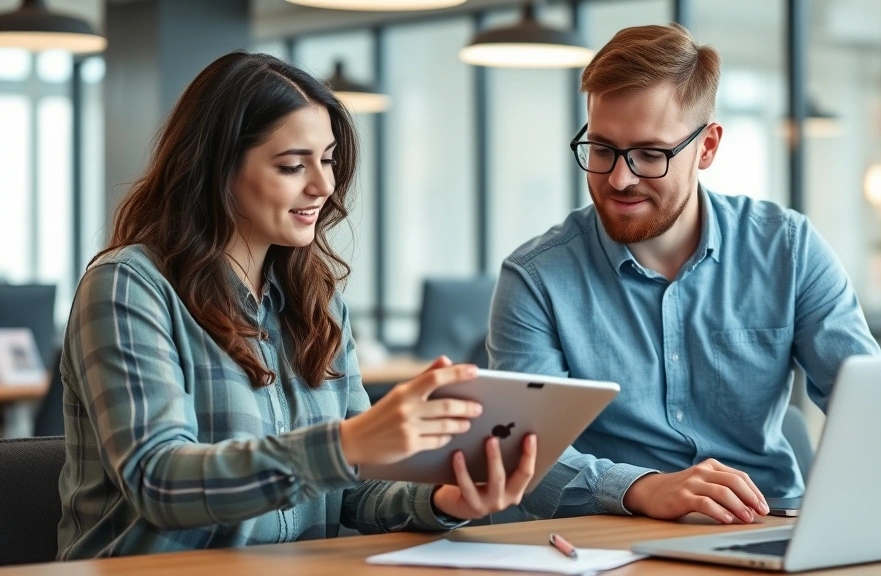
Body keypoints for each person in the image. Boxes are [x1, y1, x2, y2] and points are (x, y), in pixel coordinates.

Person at [57, 51, 536, 560]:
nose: (325, 186)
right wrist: (347, 445)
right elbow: (158, 481)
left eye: (328, 159)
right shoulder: (128, 287)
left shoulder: (319, 302)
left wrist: (443, 498)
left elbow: (356, 489)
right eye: (292, 165)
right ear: (218, 168)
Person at [489, 24, 880, 525]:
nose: (619, 178)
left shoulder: (788, 249)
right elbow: (525, 461)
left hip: (767, 525)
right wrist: (644, 489)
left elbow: (869, 409)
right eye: (603, 149)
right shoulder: (536, 279)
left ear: (708, 147)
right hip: (611, 538)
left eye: (651, 154)